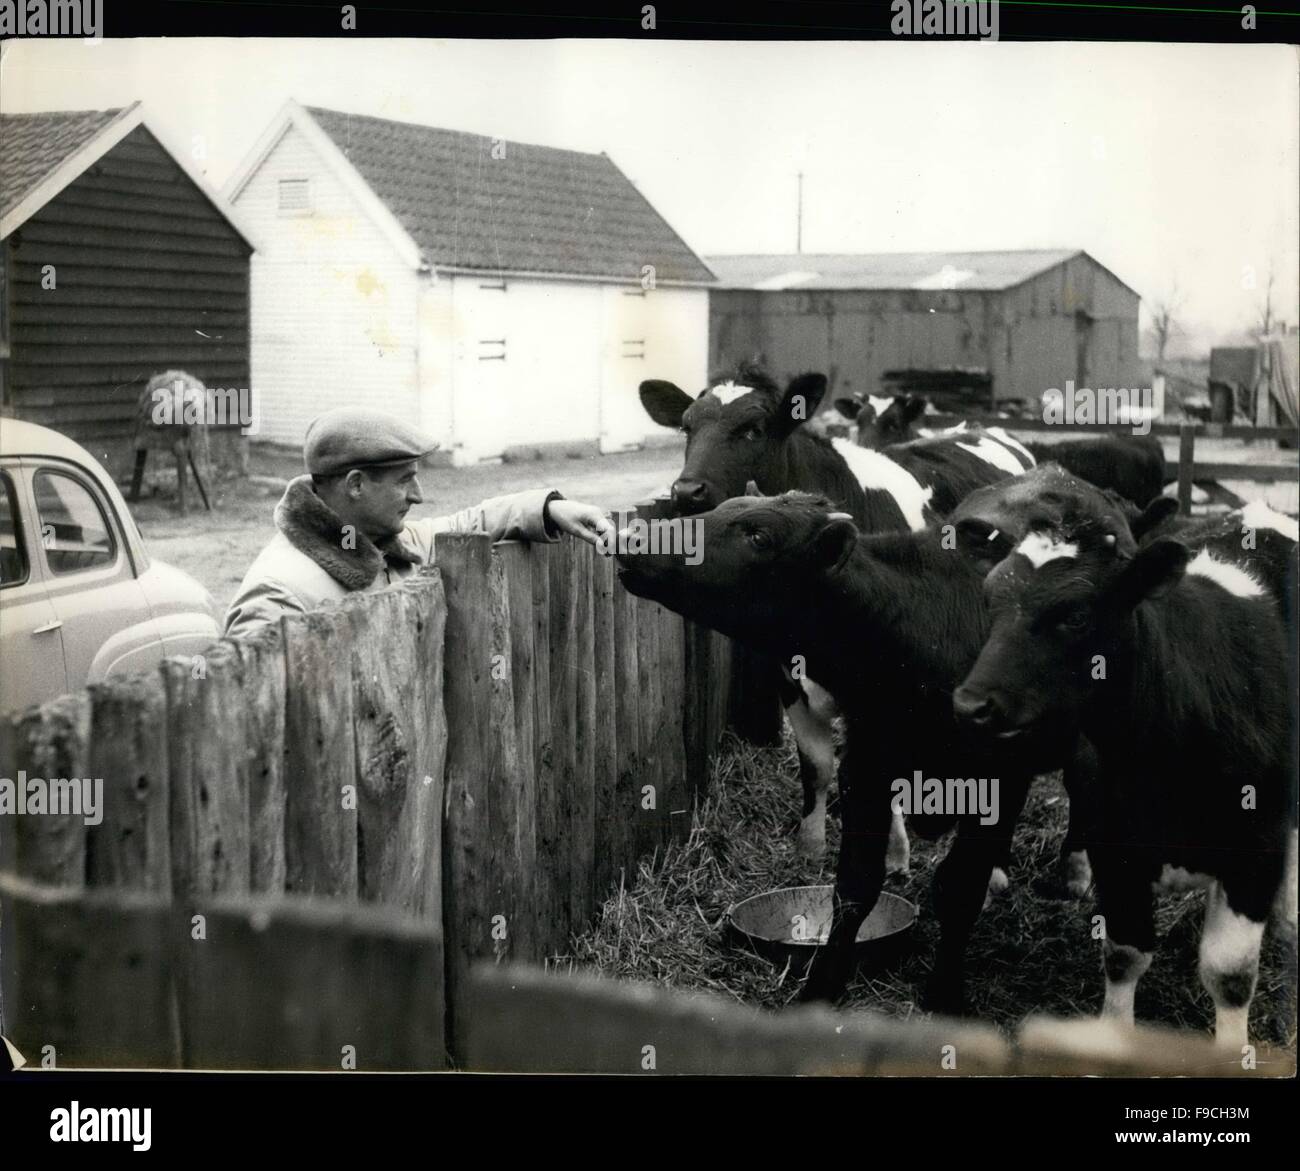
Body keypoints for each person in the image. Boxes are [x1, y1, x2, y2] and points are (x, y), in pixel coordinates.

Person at [224, 407, 613, 638]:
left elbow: (471, 521)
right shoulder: (279, 591)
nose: (418, 495)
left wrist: (549, 509)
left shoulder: (386, 543)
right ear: (355, 484)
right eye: (404, 480)